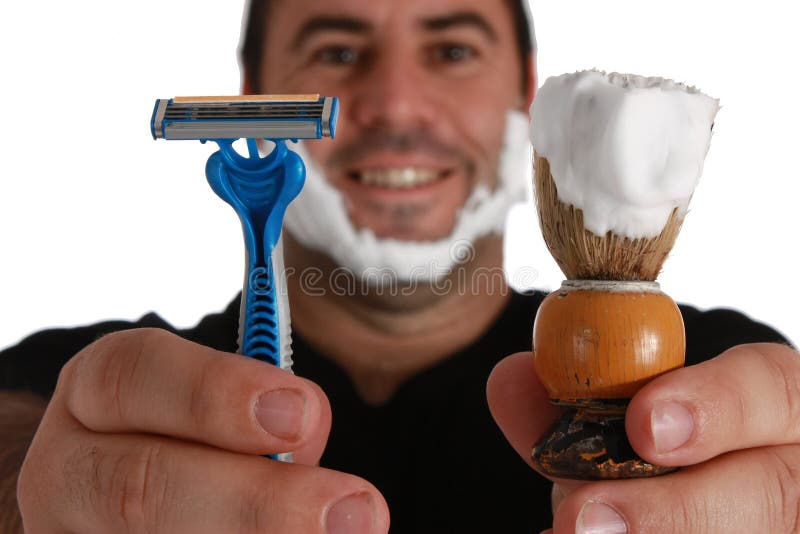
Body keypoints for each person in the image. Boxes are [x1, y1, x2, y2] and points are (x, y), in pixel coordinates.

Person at [0, 0, 796, 532]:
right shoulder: (64, 386)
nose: (396, 104)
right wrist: (21, 483)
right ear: (253, 96)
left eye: (451, 49)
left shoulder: (723, 376)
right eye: (338, 48)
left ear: (525, 98)